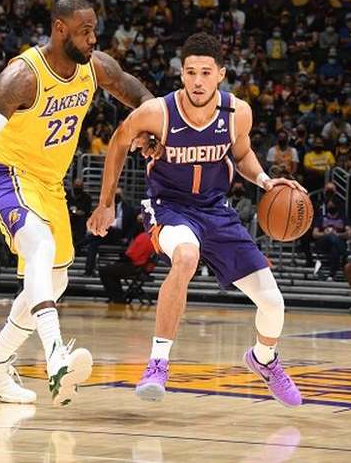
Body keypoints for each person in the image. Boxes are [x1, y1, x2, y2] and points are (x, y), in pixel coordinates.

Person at [0, 0, 154, 405]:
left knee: (57, 279)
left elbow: (140, 96)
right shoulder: (23, 76)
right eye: (84, 32)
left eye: (94, 31)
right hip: (4, 175)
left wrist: (152, 126)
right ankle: (56, 355)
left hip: (49, 184)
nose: (93, 39)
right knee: (38, 245)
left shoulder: (96, 67)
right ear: (59, 29)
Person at [88, 32, 305, 407]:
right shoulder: (158, 112)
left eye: (206, 72)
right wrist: (106, 202)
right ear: (182, 74)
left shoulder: (238, 112)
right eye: (191, 72)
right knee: (186, 256)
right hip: (169, 206)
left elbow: (242, 155)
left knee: (273, 302)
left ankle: (264, 359)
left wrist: (266, 181)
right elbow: (120, 141)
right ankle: (157, 363)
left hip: (216, 210)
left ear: (221, 74)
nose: (198, 81)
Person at [98, 221, 155, 303]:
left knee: (104, 270)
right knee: (112, 271)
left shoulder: (144, 237)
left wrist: (120, 260)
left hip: (135, 266)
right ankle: (118, 296)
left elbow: (132, 255)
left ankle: (117, 297)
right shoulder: (150, 238)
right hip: (140, 267)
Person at [312, 197, 351, 281]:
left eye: (332, 206)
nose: (331, 207)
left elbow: (349, 234)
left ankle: (332, 274)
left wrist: (337, 234)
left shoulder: (343, 219)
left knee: (334, 249)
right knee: (330, 236)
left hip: (338, 242)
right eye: (329, 206)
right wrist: (325, 234)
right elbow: (315, 234)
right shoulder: (321, 218)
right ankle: (344, 253)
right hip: (324, 243)